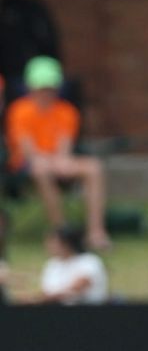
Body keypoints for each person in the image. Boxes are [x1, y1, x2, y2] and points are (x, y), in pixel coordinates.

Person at [4, 56, 110, 251]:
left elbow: (65, 146)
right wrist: (53, 162)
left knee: (93, 166)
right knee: (40, 169)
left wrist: (62, 161)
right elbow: (28, 151)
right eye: (41, 88)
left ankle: (96, 232)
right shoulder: (20, 110)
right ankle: (62, 232)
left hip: (57, 161)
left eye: (50, 87)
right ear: (31, 87)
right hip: (27, 165)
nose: (46, 93)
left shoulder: (66, 111)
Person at [33, 225, 108, 304]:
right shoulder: (52, 264)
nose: (48, 246)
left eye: (53, 242)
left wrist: (40, 298)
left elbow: (79, 287)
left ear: (66, 244)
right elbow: (48, 291)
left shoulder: (89, 261)